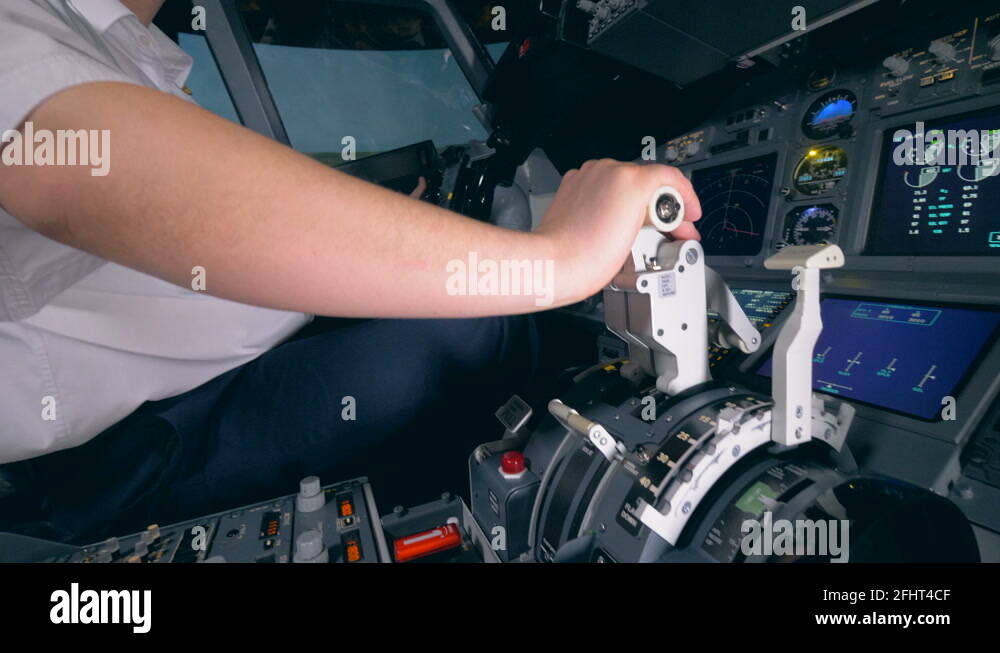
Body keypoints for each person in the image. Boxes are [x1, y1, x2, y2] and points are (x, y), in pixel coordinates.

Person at [0, 0, 701, 542]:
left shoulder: (114, 48)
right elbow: (93, 171)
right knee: (476, 336)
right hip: (107, 466)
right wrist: (562, 260)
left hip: (208, 382)